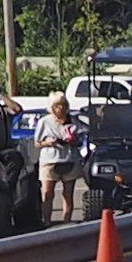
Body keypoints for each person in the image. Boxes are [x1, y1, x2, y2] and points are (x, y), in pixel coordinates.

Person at [35, 93, 84, 223]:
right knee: (47, 193)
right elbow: (37, 143)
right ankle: (46, 221)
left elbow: (80, 141)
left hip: (69, 160)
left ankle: (67, 221)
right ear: (51, 107)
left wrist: (73, 140)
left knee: (68, 193)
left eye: (64, 105)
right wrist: (48, 142)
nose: (61, 108)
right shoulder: (44, 122)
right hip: (49, 161)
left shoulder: (73, 121)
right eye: (57, 105)